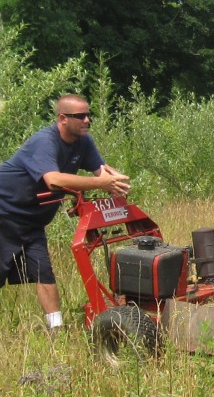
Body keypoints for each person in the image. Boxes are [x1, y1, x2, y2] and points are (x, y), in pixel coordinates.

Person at [0, 95, 131, 329]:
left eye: (88, 115)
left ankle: (56, 330)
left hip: (32, 221)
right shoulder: (44, 142)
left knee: (43, 273)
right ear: (62, 118)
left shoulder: (83, 141)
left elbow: (101, 172)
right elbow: (53, 181)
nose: (87, 120)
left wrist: (116, 183)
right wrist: (102, 183)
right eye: (80, 116)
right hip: (5, 214)